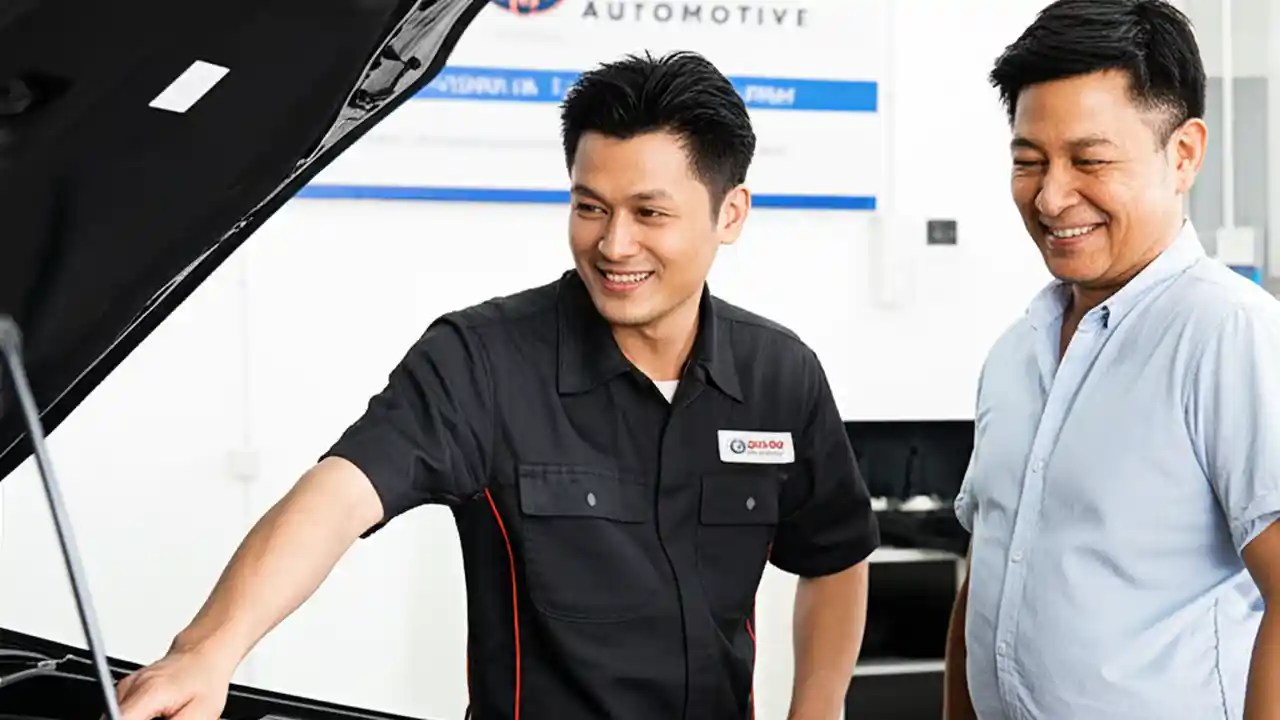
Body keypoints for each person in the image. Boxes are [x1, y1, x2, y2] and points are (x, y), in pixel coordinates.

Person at [115, 50, 880, 720]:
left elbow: (835, 553)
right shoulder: (481, 361)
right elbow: (340, 495)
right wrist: (206, 651)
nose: (614, 244)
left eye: (650, 213)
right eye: (590, 208)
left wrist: (817, 709)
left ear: (730, 214)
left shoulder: (782, 375)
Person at [942, 1, 1280, 718]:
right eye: (1029, 162)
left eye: (1090, 160)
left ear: (1183, 154)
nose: (1051, 196)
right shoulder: (1015, 350)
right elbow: (990, 574)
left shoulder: (1229, 335)